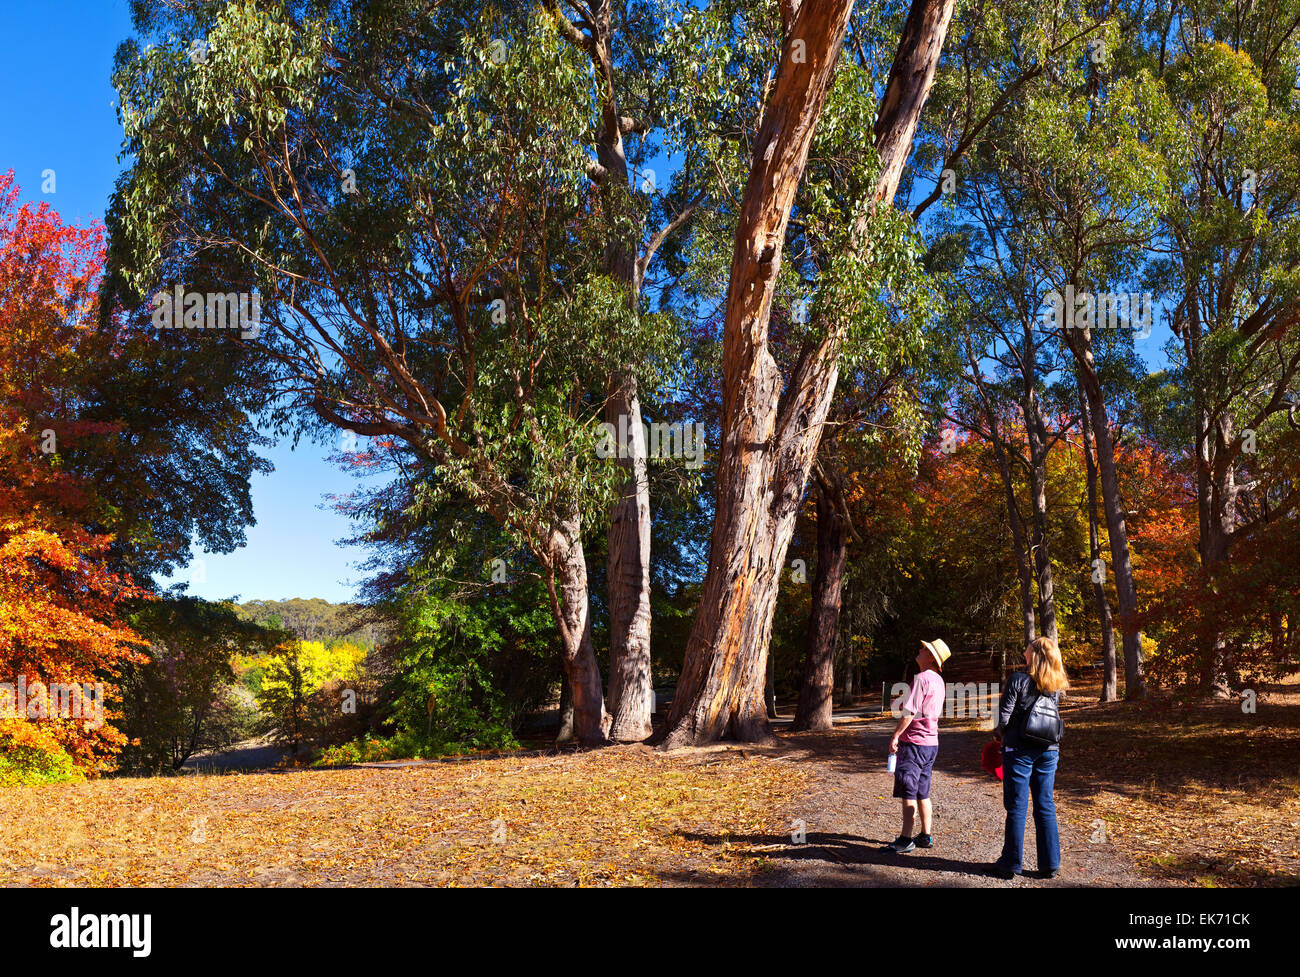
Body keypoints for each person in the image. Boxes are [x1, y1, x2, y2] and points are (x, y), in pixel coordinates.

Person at [991, 636, 1069, 880]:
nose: (1023, 650)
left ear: (1034, 653)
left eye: (1027, 647)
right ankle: (1050, 864)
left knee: (1017, 806)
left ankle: (1010, 863)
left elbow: (1003, 718)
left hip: (1020, 750)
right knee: (1045, 805)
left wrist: (999, 737)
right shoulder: (1054, 684)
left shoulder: (1018, 680)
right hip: (1049, 750)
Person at [884, 638, 950, 853]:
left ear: (931, 657)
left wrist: (895, 735)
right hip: (931, 743)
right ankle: (926, 835)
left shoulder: (921, 678)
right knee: (923, 791)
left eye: (924, 649)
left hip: (914, 743)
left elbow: (910, 713)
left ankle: (905, 839)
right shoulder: (938, 680)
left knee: (908, 791)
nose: (920, 650)